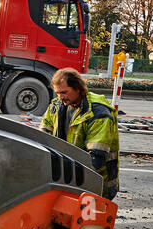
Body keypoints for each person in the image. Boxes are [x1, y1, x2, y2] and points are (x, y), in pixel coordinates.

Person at [40, 67, 120, 199]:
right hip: (67, 180)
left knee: (91, 219)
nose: (61, 97)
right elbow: (43, 139)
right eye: (57, 93)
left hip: (94, 185)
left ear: (77, 88)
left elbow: (96, 160)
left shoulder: (98, 113)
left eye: (64, 92)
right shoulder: (55, 107)